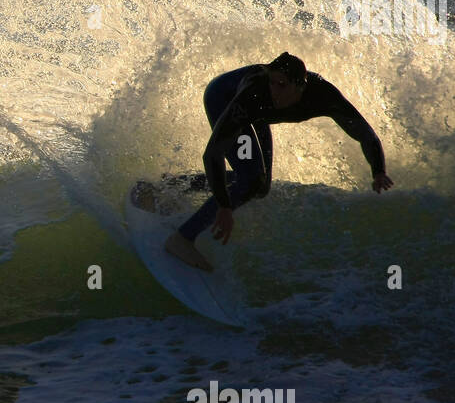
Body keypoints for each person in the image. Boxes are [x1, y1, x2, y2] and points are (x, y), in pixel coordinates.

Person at [164, 52, 394, 271]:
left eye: (282, 85)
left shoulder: (324, 96)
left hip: (258, 115)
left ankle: (175, 185)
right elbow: (213, 153)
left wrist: (378, 171)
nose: (274, 91)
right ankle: (183, 238)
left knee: (259, 186)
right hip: (224, 99)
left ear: (300, 87)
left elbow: (365, 134)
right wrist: (224, 206)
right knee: (251, 180)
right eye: (271, 82)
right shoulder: (255, 94)